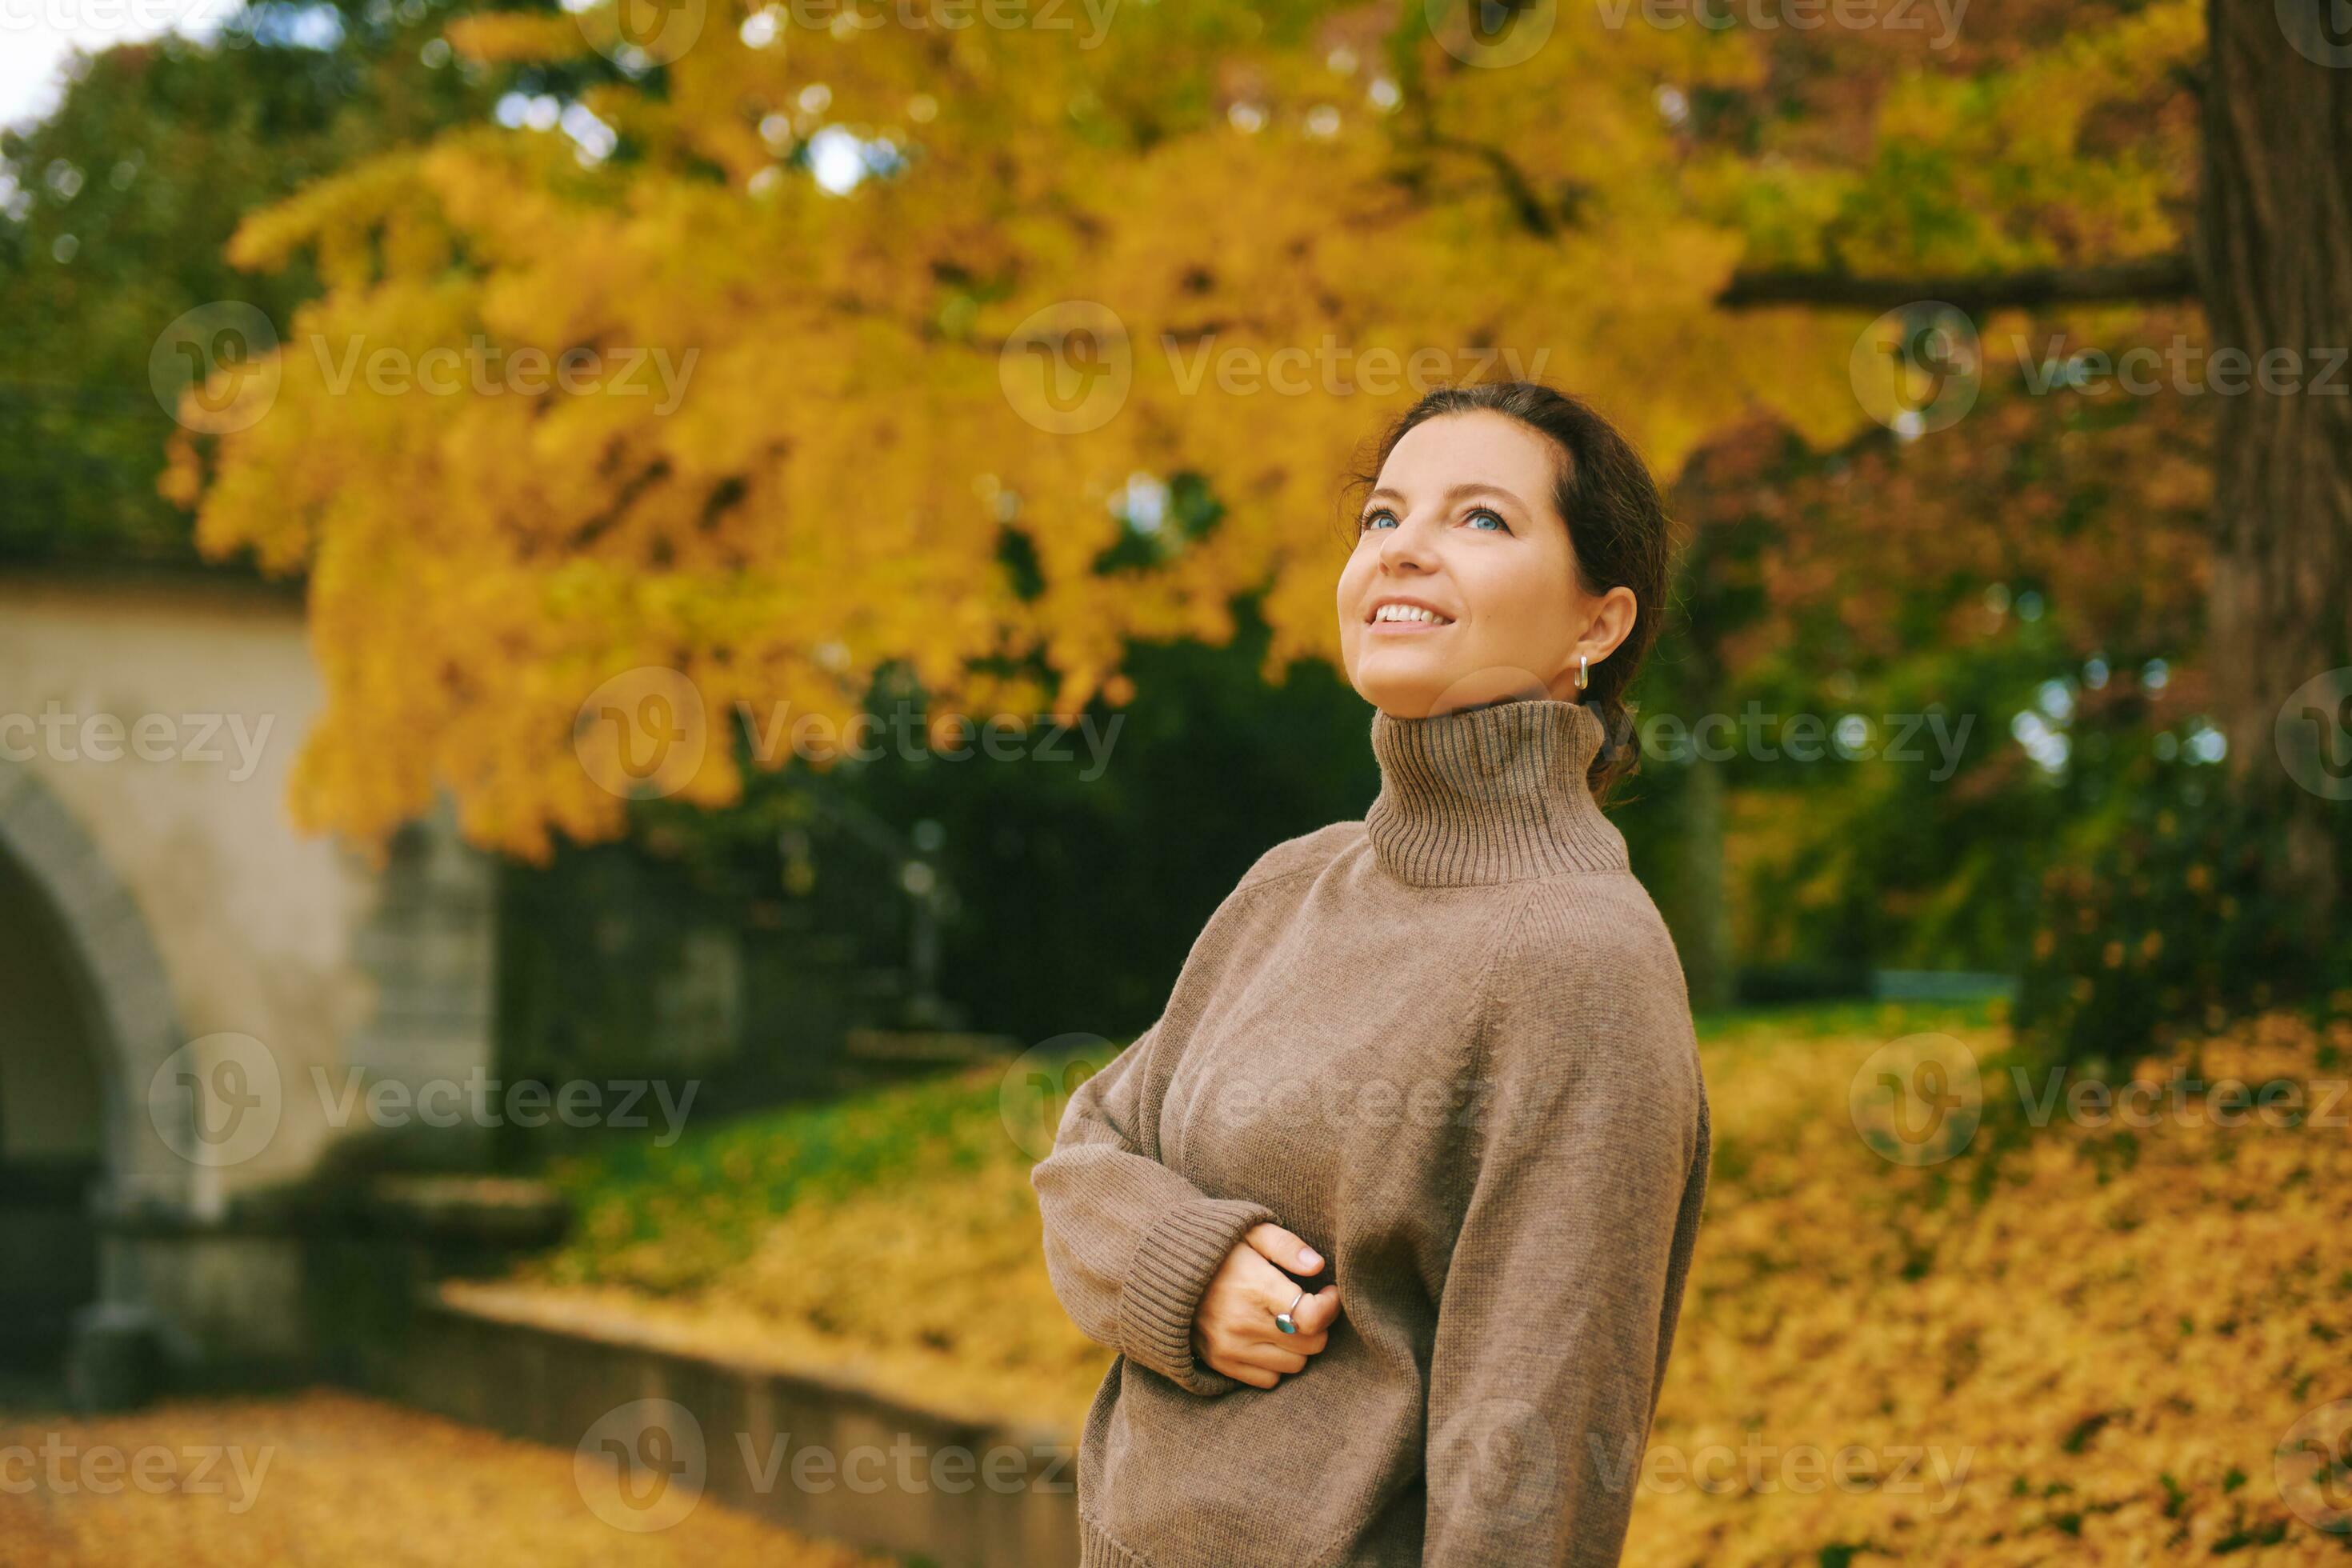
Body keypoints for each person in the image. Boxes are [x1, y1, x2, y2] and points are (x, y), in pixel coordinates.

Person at [1031, 380, 1713, 1567]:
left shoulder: (1578, 964)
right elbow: (1088, 1147)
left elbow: (1531, 1471)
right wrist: (1185, 1272)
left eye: (1481, 520)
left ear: (1596, 627)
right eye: (1384, 518)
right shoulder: (1293, 885)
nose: (1404, 553)